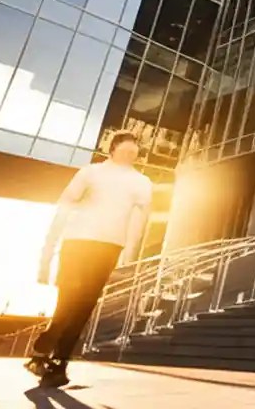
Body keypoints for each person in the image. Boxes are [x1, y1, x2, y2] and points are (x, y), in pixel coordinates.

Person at [27, 130, 153, 387]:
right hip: (77, 242)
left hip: (109, 246)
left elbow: (142, 219)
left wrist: (131, 251)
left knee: (85, 305)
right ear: (113, 148)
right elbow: (64, 207)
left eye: (134, 150)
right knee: (68, 301)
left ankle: (59, 362)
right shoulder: (90, 172)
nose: (131, 153)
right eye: (126, 148)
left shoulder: (142, 182)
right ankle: (44, 346)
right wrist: (47, 252)